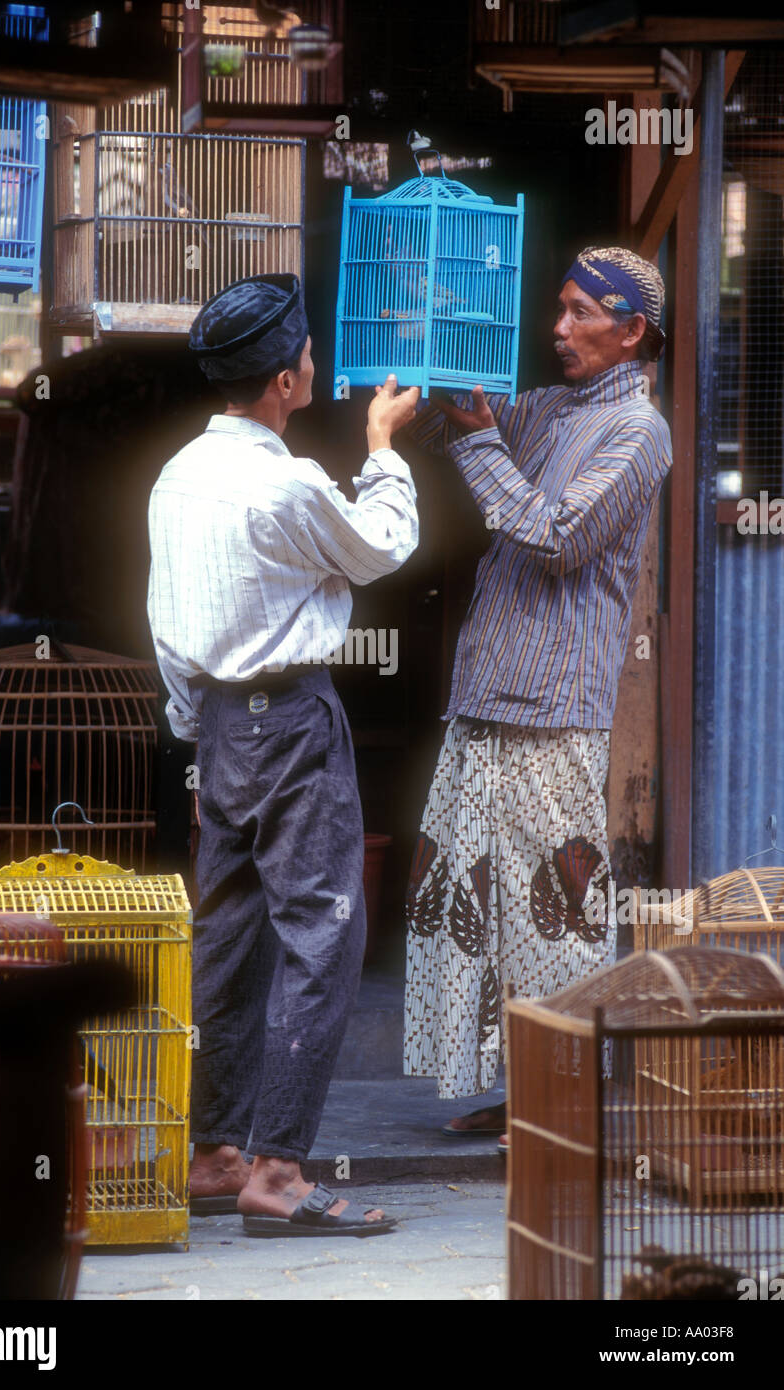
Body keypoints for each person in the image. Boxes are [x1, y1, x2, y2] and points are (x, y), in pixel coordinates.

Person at [147, 272, 419, 1235]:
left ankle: (215, 1153)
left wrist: (200, 735)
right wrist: (384, 447)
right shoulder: (286, 481)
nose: (312, 367)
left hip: (217, 722)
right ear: (284, 381)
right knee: (322, 930)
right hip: (292, 717)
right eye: (305, 356)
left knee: (225, 934)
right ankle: (278, 1172)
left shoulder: (179, 474)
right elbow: (379, 548)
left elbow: (166, 625)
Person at [402, 247, 673, 1150]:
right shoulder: (550, 409)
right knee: (471, 898)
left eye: (579, 315)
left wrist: (480, 439)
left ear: (630, 331)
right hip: (486, 690)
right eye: (557, 309)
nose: (557, 330)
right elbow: (469, 437)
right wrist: (445, 395)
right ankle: (518, 1088)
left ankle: (563, 1096)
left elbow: (554, 536)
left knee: (554, 909)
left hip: (554, 706)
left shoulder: (641, 433)